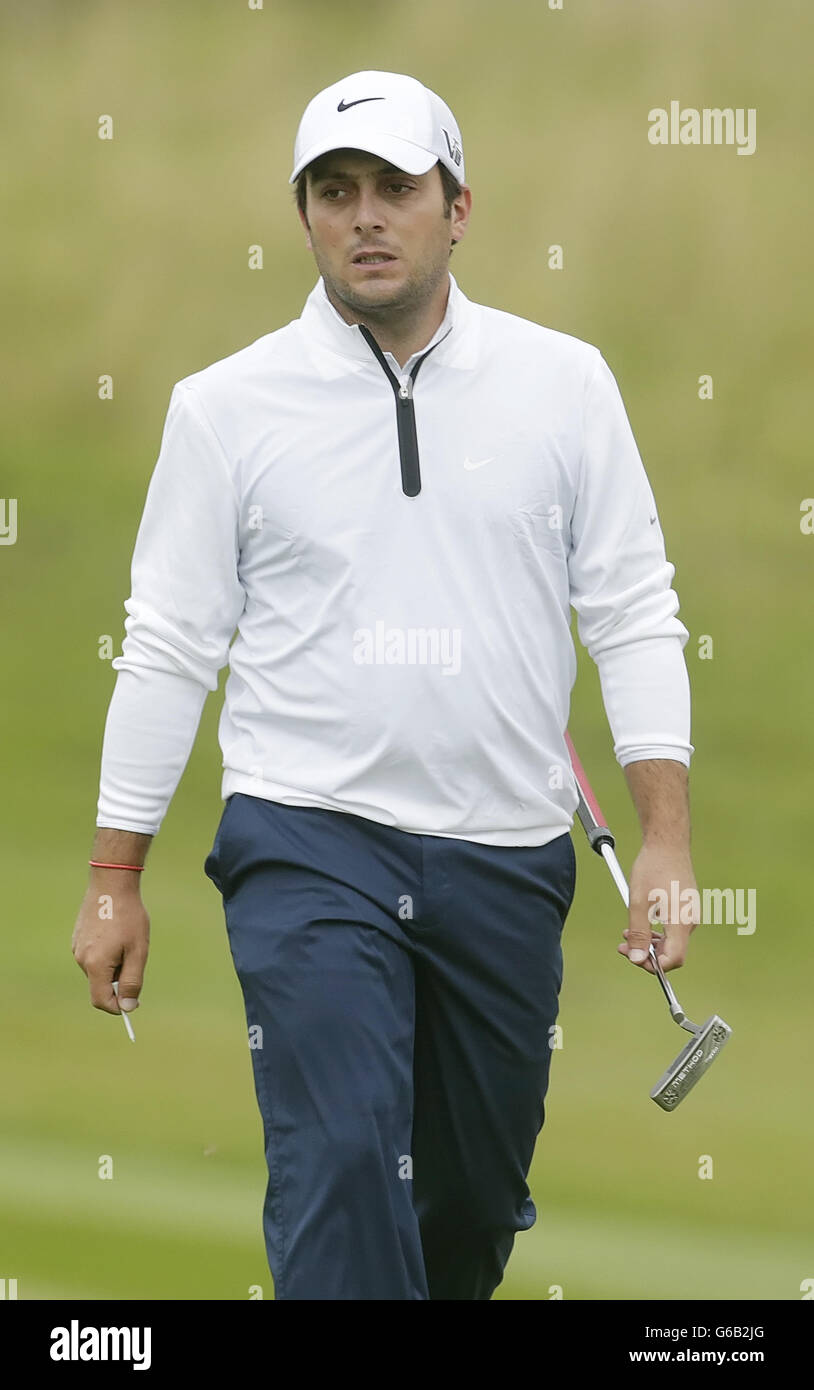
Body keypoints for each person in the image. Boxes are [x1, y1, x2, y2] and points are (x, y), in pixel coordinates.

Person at [72, 69, 698, 1301]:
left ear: (457, 206)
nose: (365, 216)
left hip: (506, 857)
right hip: (306, 841)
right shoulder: (226, 409)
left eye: (396, 189)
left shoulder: (563, 386)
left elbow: (632, 609)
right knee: (344, 1160)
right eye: (334, 191)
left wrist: (668, 838)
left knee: (463, 1211)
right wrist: (113, 877)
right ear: (303, 214)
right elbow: (167, 645)